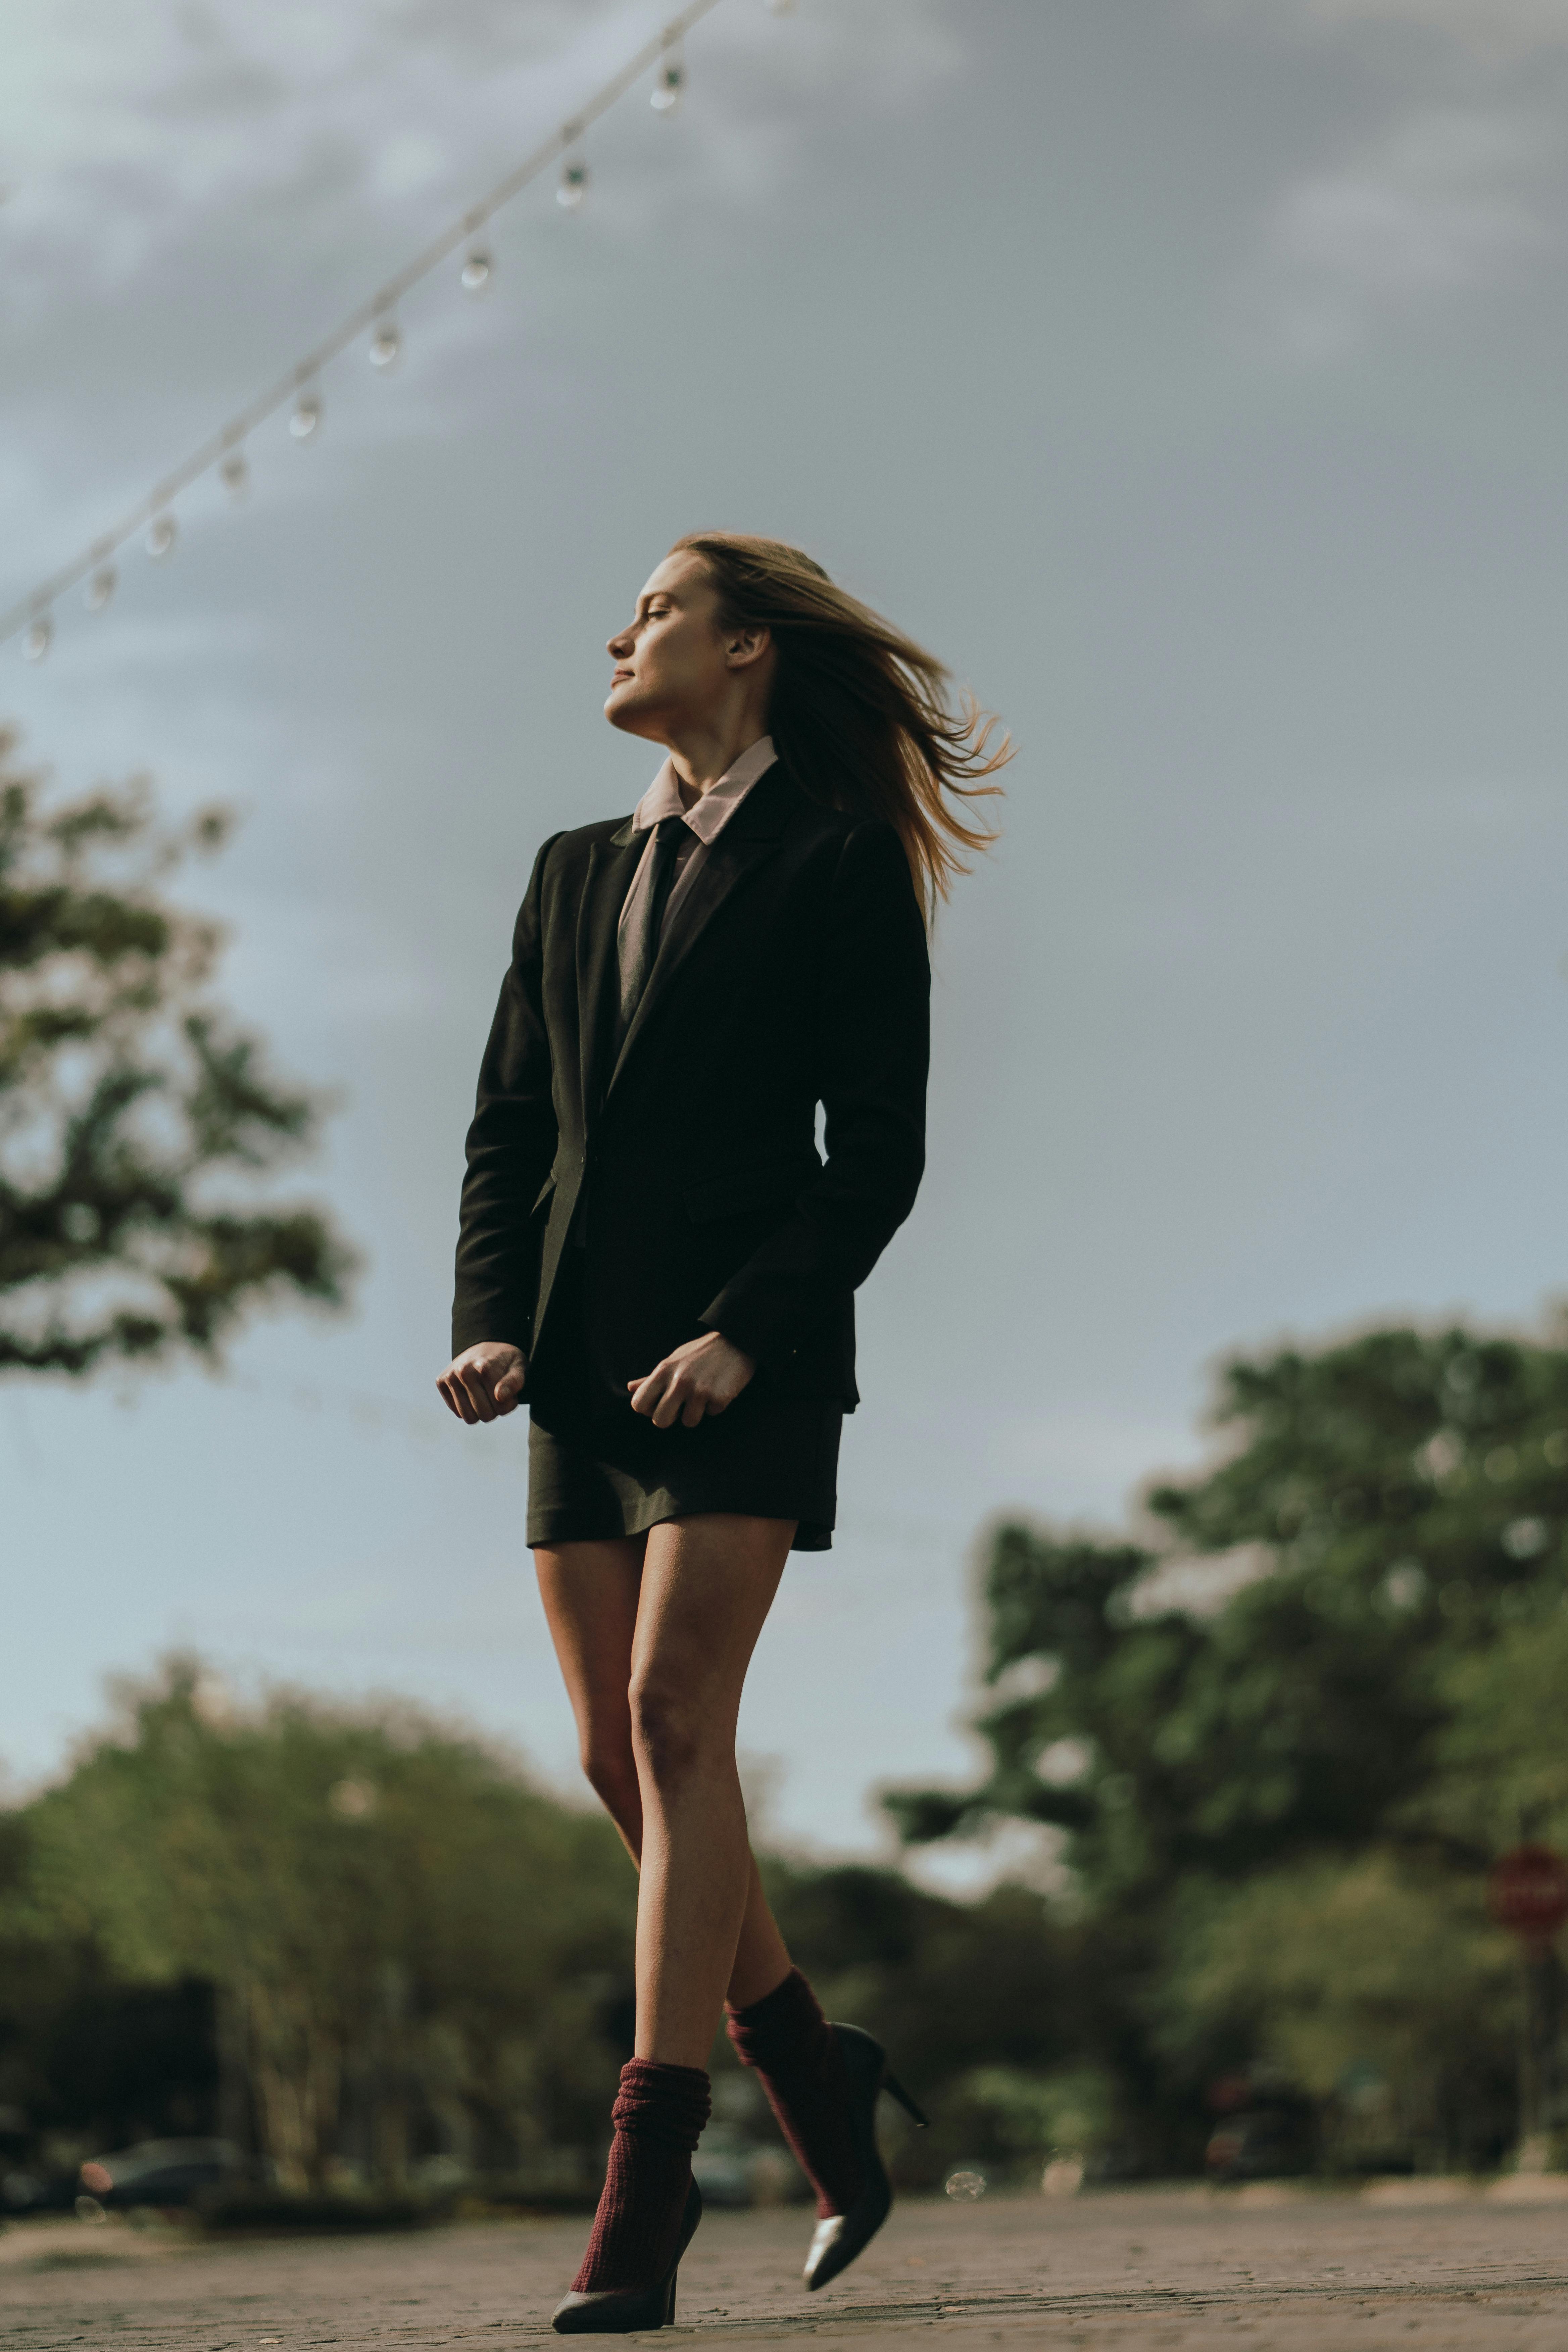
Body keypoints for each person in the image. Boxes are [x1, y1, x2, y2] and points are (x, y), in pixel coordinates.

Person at [438, 532, 1006, 2332]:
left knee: (682, 1721)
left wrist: (752, 1337)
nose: (624, 628)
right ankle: (818, 2077)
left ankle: (648, 2182)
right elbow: (509, 1127)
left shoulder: (839, 866)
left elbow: (880, 1159)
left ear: (747, 648)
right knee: (619, 1763)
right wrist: (489, 1323)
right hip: (582, 1365)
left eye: (661, 607)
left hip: (746, 1362)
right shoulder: (566, 870)